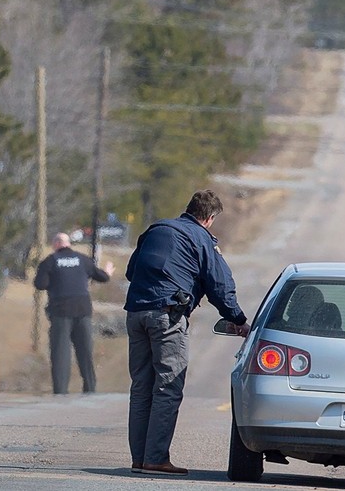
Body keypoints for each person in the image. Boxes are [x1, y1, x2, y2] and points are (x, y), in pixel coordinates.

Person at [124, 190, 250, 476]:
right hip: (167, 317)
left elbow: (132, 272)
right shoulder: (201, 238)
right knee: (167, 387)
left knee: (141, 387)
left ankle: (140, 458)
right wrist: (238, 319)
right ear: (209, 218)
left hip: (136, 313)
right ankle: (155, 459)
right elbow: (220, 285)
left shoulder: (156, 229)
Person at [34, 233, 114, 394]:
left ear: (56, 244)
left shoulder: (50, 261)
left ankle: (60, 392)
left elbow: (40, 284)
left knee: (60, 354)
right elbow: (102, 277)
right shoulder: (83, 259)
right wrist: (107, 272)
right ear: (68, 243)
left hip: (61, 312)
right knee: (85, 352)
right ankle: (90, 390)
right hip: (83, 311)